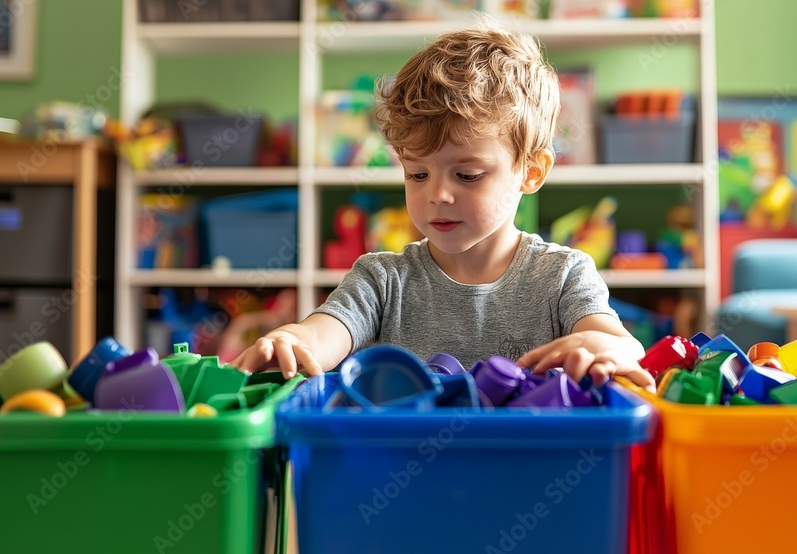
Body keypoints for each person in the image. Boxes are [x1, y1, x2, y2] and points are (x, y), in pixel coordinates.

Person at [231, 20, 655, 391]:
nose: (437, 195)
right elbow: (322, 336)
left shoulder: (563, 276)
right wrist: (293, 339)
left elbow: (620, 342)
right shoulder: (381, 281)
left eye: (467, 175)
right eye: (417, 174)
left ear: (530, 171)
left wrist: (602, 346)